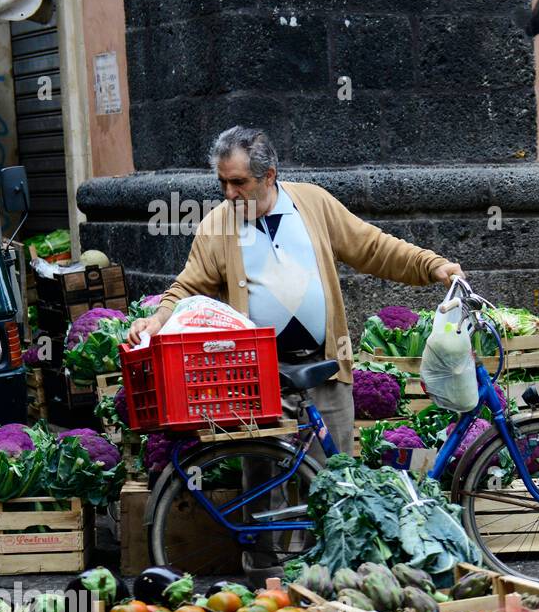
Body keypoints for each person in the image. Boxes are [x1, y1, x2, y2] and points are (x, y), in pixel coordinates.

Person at [129, 126, 463, 457]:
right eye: (223, 182)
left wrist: (430, 265)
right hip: (258, 379)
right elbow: (187, 287)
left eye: (239, 182)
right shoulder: (216, 226)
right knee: (264, 491)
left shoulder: (313, 203)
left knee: (333, 483)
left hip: (325, 371)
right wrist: (157, 320)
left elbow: (373, 247)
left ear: (269, 175)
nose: (229, 193)